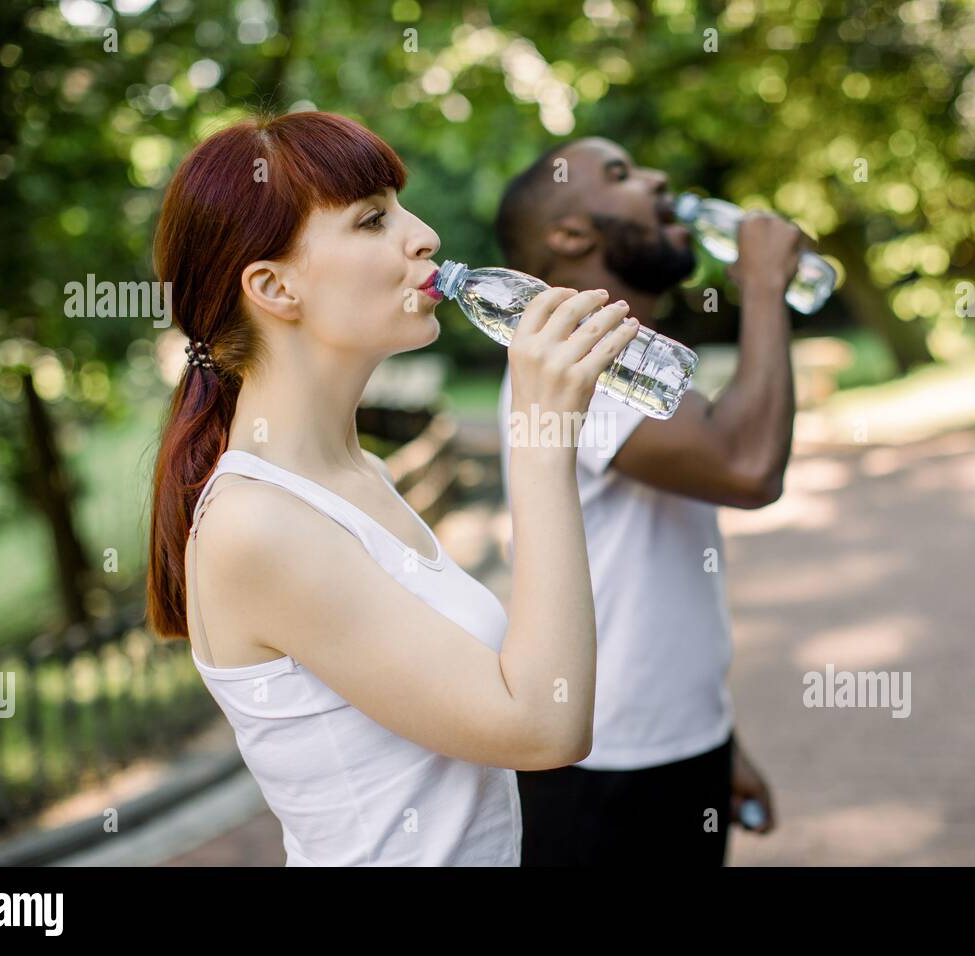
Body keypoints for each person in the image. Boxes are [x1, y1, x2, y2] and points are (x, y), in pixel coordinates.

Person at [144, 112, 640, 866]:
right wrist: (541, 445)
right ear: (274, 287)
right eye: (373, 219)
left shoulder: (358, 475)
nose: (424, 236)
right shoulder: (257, 527)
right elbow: (547, 727)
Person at [494, 137, 805, 865]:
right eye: (622, 173)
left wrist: (714, 742)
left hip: (672, 751)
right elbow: (748, 465)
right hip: (603, 775)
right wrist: (762, 284)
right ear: (570, 234)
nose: (660, 177)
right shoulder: (575, 357)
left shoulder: (625, 356)